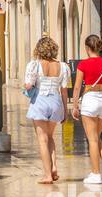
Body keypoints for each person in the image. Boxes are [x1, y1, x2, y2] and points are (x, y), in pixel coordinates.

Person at [71, 34, 102, 184]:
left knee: (91, 140)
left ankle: (95, 174)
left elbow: (78, 86)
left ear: (87, 48)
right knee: (96, 137)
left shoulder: (83, 65)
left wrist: (74, 106)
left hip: (90, 101)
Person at [24, 36, 70, 184]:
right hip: (56, 102)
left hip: (40, 101)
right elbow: (64, 91)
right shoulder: (63, 66)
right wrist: (65, 110)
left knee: (42, 140)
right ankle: (54, 166)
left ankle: (47, 175)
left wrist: (27, 86)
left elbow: (28, 85)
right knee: (50, 137)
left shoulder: (34, 65)